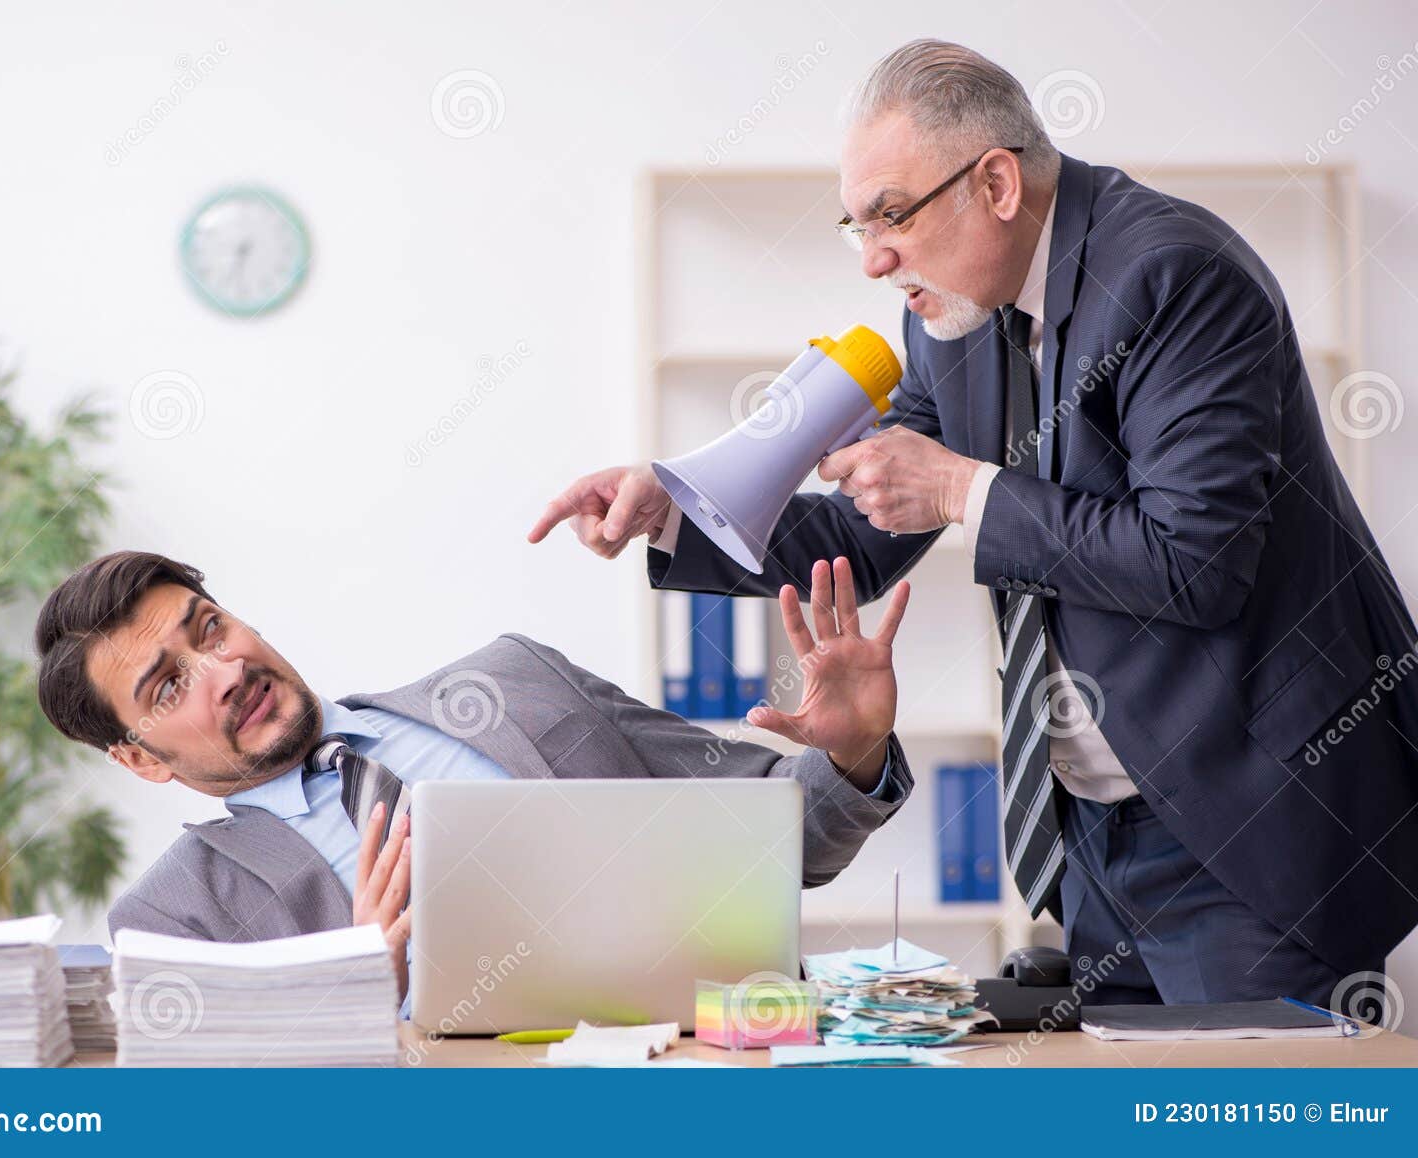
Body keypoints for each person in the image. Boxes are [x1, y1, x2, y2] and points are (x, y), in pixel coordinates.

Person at [529, 39, 1418, 1011]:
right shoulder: (945, 319)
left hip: (1246, 831)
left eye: (891, 216)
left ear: (995, 183)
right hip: (1091, 845)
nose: (873, 260)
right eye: (854, 225)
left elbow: (1195, 561)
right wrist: (674, 515)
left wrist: (963, 489)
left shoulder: (1177, 277)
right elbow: (867, 536)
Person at [34, 549, 915, 999]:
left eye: (210, 628)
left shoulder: (512, 679)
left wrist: (853, 752)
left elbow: (772, 839)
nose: (224, 670)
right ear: (141, 759)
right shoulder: (176, 919)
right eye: (171, 684)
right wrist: (354, 995)